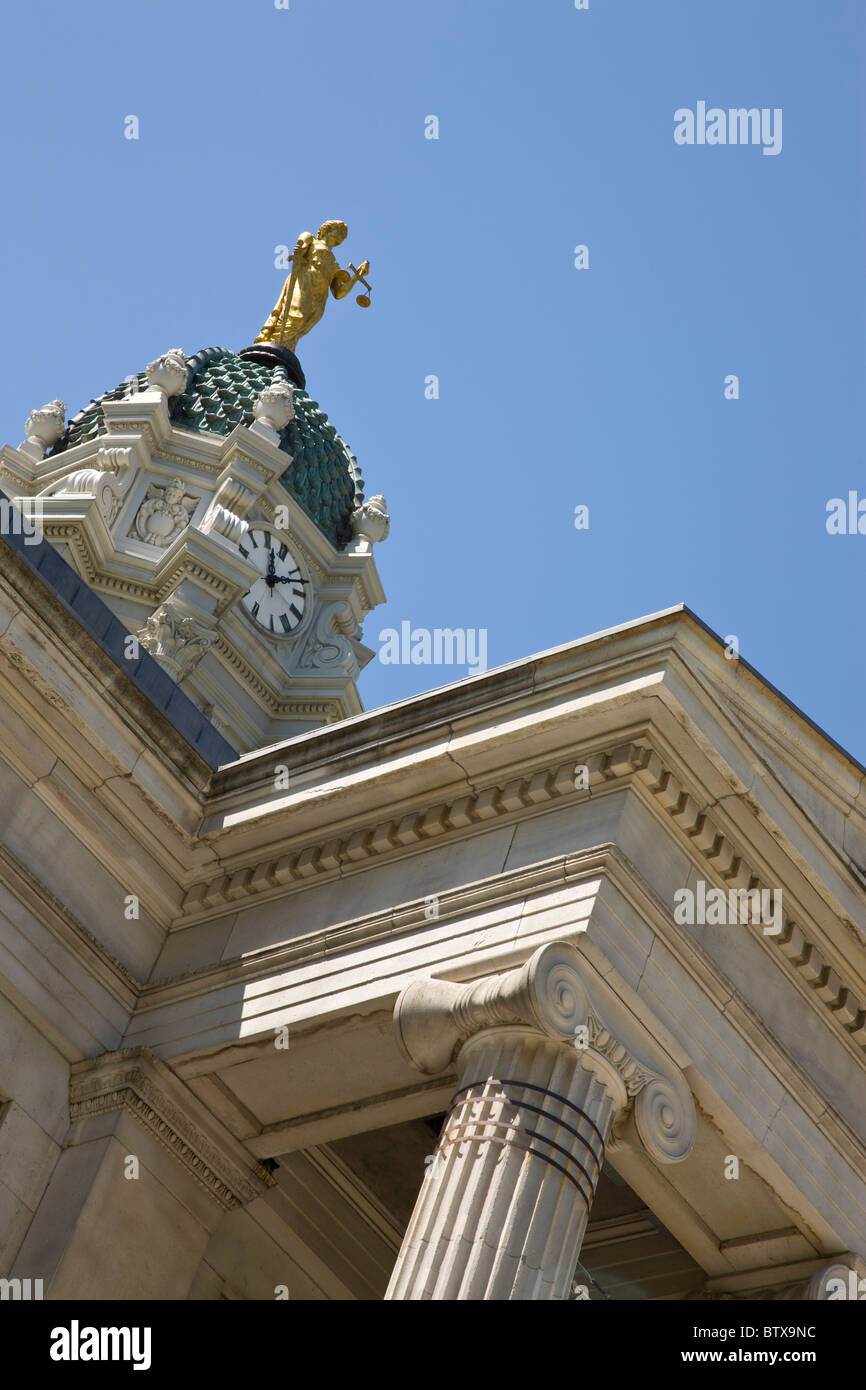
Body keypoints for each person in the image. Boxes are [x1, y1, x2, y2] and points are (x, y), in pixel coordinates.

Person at [256, 221, 370, 352]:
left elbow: (338, 293)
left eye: (345, 235)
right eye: (342, 231)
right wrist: (299, 251)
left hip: (319, 296)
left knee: (303, 326)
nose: (343, 236)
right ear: (329, 229)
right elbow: (300, 249)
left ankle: (285, 348)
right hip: (305, 282)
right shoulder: (312, 239)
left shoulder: (335, 264)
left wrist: (357, 276)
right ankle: (272, 344)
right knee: (294, 317)